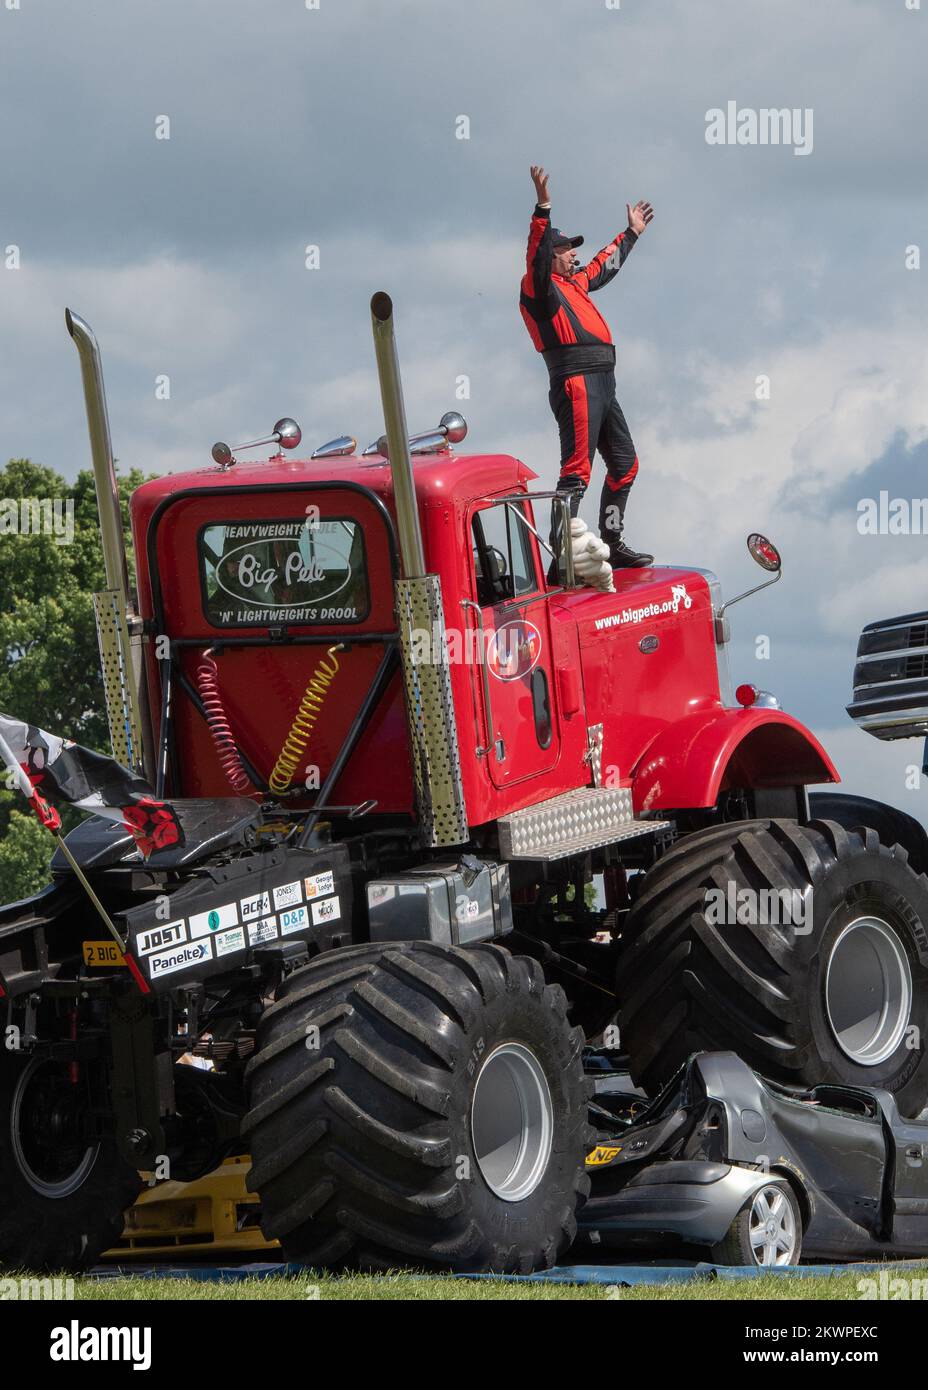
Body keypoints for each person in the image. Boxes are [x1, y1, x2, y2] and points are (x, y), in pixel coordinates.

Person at [520, 165, 654, 569]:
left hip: (604, 382)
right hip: (575, 382)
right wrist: (543, 207)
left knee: (625, 465)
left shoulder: (574, 283)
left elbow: (602, 266)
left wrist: (631, 233)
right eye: (566, 249)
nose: (574, 254)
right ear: (550, 255)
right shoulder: (539, 288)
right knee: (576, 472)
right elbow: (535, 253)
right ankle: (562, 559)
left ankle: (611, 540)